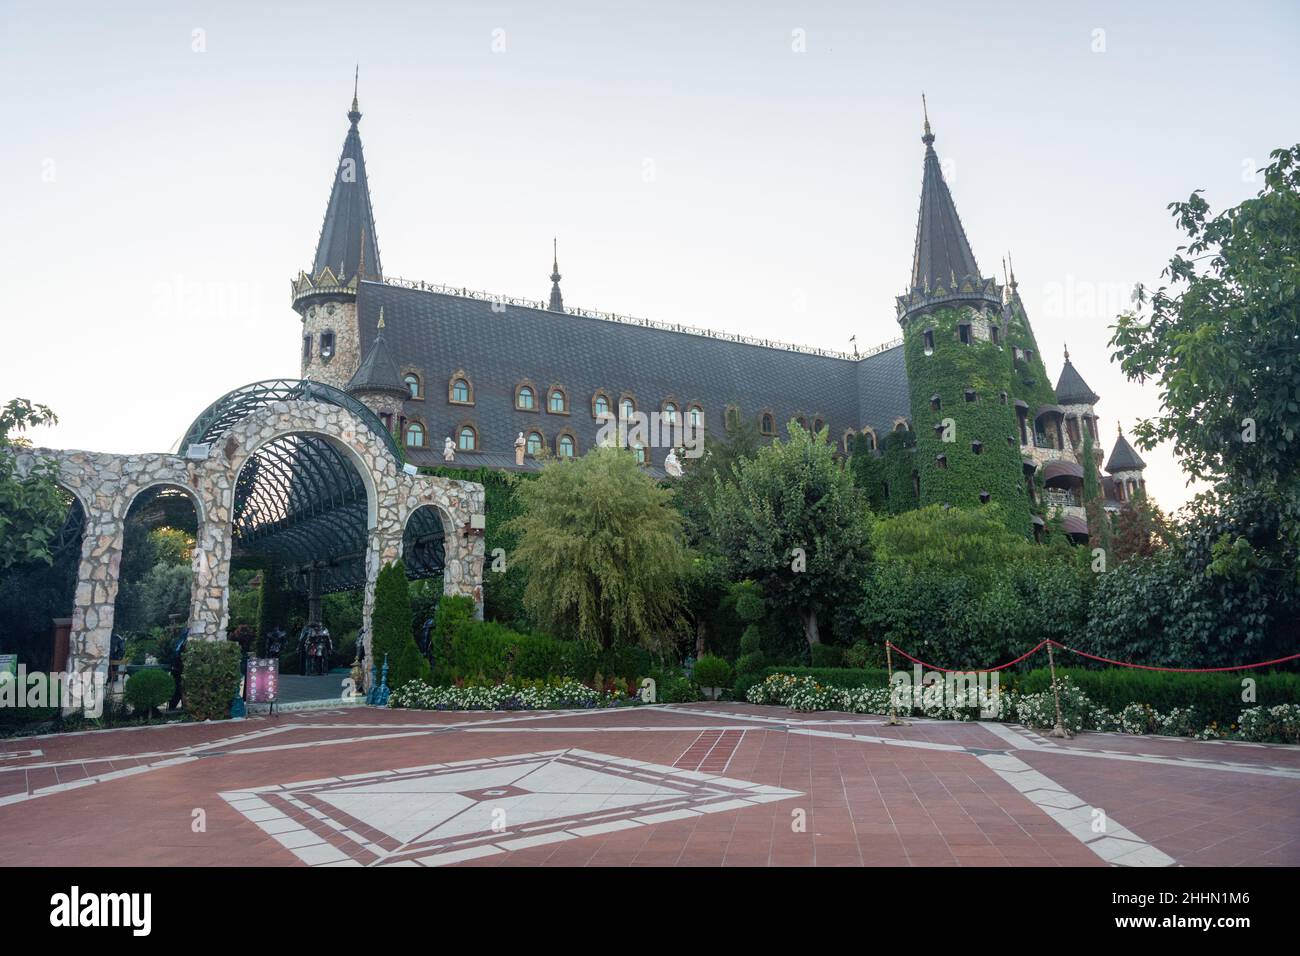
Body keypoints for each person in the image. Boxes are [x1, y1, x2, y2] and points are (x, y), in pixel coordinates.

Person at [168, 627, 189, 710]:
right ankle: (174, 707)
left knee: (177, 690)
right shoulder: (182, 642)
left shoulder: (179, 641)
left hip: (176, 668)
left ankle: (172, 707)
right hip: (179, 669)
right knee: (179, 690)